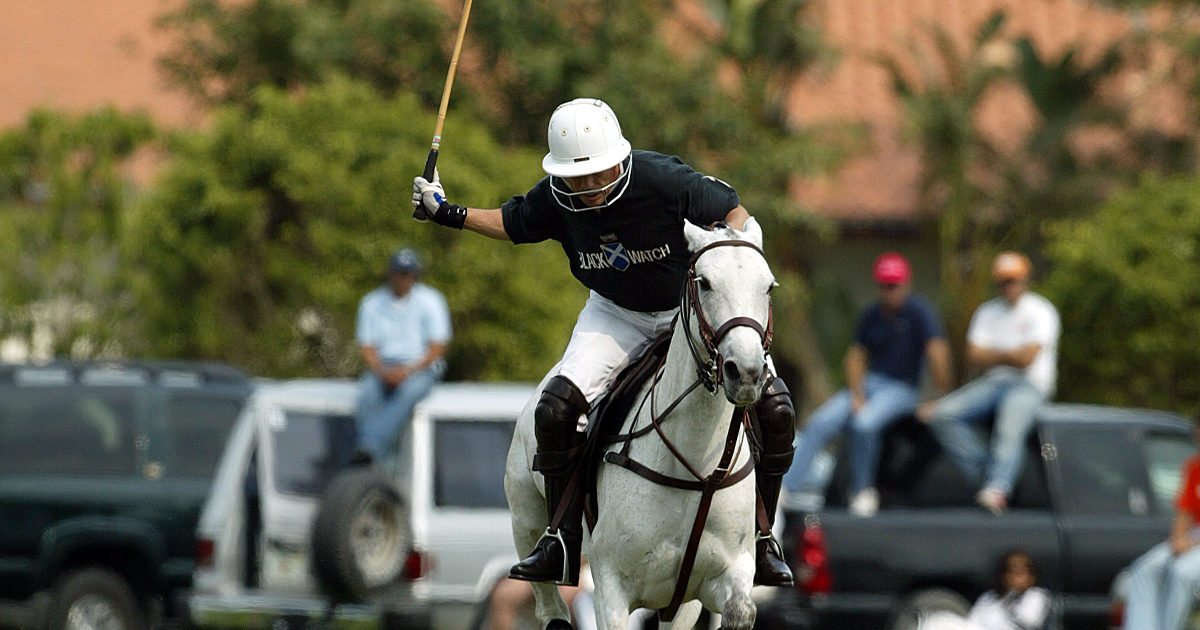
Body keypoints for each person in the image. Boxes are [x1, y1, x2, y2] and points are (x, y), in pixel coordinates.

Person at [412, 98, 796, 589]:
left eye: (598, 173)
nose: (590, 187)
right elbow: (511, 224)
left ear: (619, 159)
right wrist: (447, 213)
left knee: (777, 409)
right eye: (579, 178)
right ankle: (561, 539)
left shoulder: (664, 181)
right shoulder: (553, 198)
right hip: (614, 315)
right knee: (553, 410)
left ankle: (762, 539)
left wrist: (731, 262)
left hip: (690, 315)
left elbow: (735, 213)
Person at [783, 252, 952, 517]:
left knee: (864, 424)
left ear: (906, 284)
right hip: (870, 384)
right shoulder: (872, 314)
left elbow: (938, 352)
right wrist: (857, 393)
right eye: (885, 285)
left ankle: (862, 490)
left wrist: (940, 397)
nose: (889, 291)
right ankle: (787, 488)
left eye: (894, 285)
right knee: (819, 422)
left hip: (901, 388)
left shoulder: (919, 312)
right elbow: (855, 357)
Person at [919, 251, 1060, 515]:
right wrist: (1010, 355)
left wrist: (994, 355)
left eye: (1013, 280)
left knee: (1009, 429)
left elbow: (1027, 360)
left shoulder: (1041, 310)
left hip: (1030, 385)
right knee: (941, 415)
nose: (1008, 286)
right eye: (1003, 281)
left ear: (1025, 281)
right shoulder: (988, 311)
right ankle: (987, 470)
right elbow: (973, 355)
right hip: (993, 383)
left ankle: (997, 488)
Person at [353, 247, 452, 463]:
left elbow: (437, 348)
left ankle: (369, 448)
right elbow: (367, 348)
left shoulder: (431, 300)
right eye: (400, 273)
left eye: (409, 274)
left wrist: (407, 371)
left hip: (421, 368)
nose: (404, 279)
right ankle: (377, 459)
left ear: (416, 276)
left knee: (408, 394)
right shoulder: (372, 302)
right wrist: (383, 371)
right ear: (390, 274)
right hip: (384, 366)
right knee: (367, 395)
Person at [1123, 431, 1200, 630]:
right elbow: (1184, 512)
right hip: (1193, 535)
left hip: (1196, 541)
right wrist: (1178, 540)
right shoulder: (1195, 467)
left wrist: (1191, 543)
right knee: (1144, 568)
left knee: (1182, 573)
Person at [920, 548, 1051, 630]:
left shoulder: (1036, 596)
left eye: (1020, 573)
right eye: (1010, 572)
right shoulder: (990, 597)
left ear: (1031, 576)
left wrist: (1011, 599)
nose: (1014, 577)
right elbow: (972, 621)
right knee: (938, 620)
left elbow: (1025, 623)